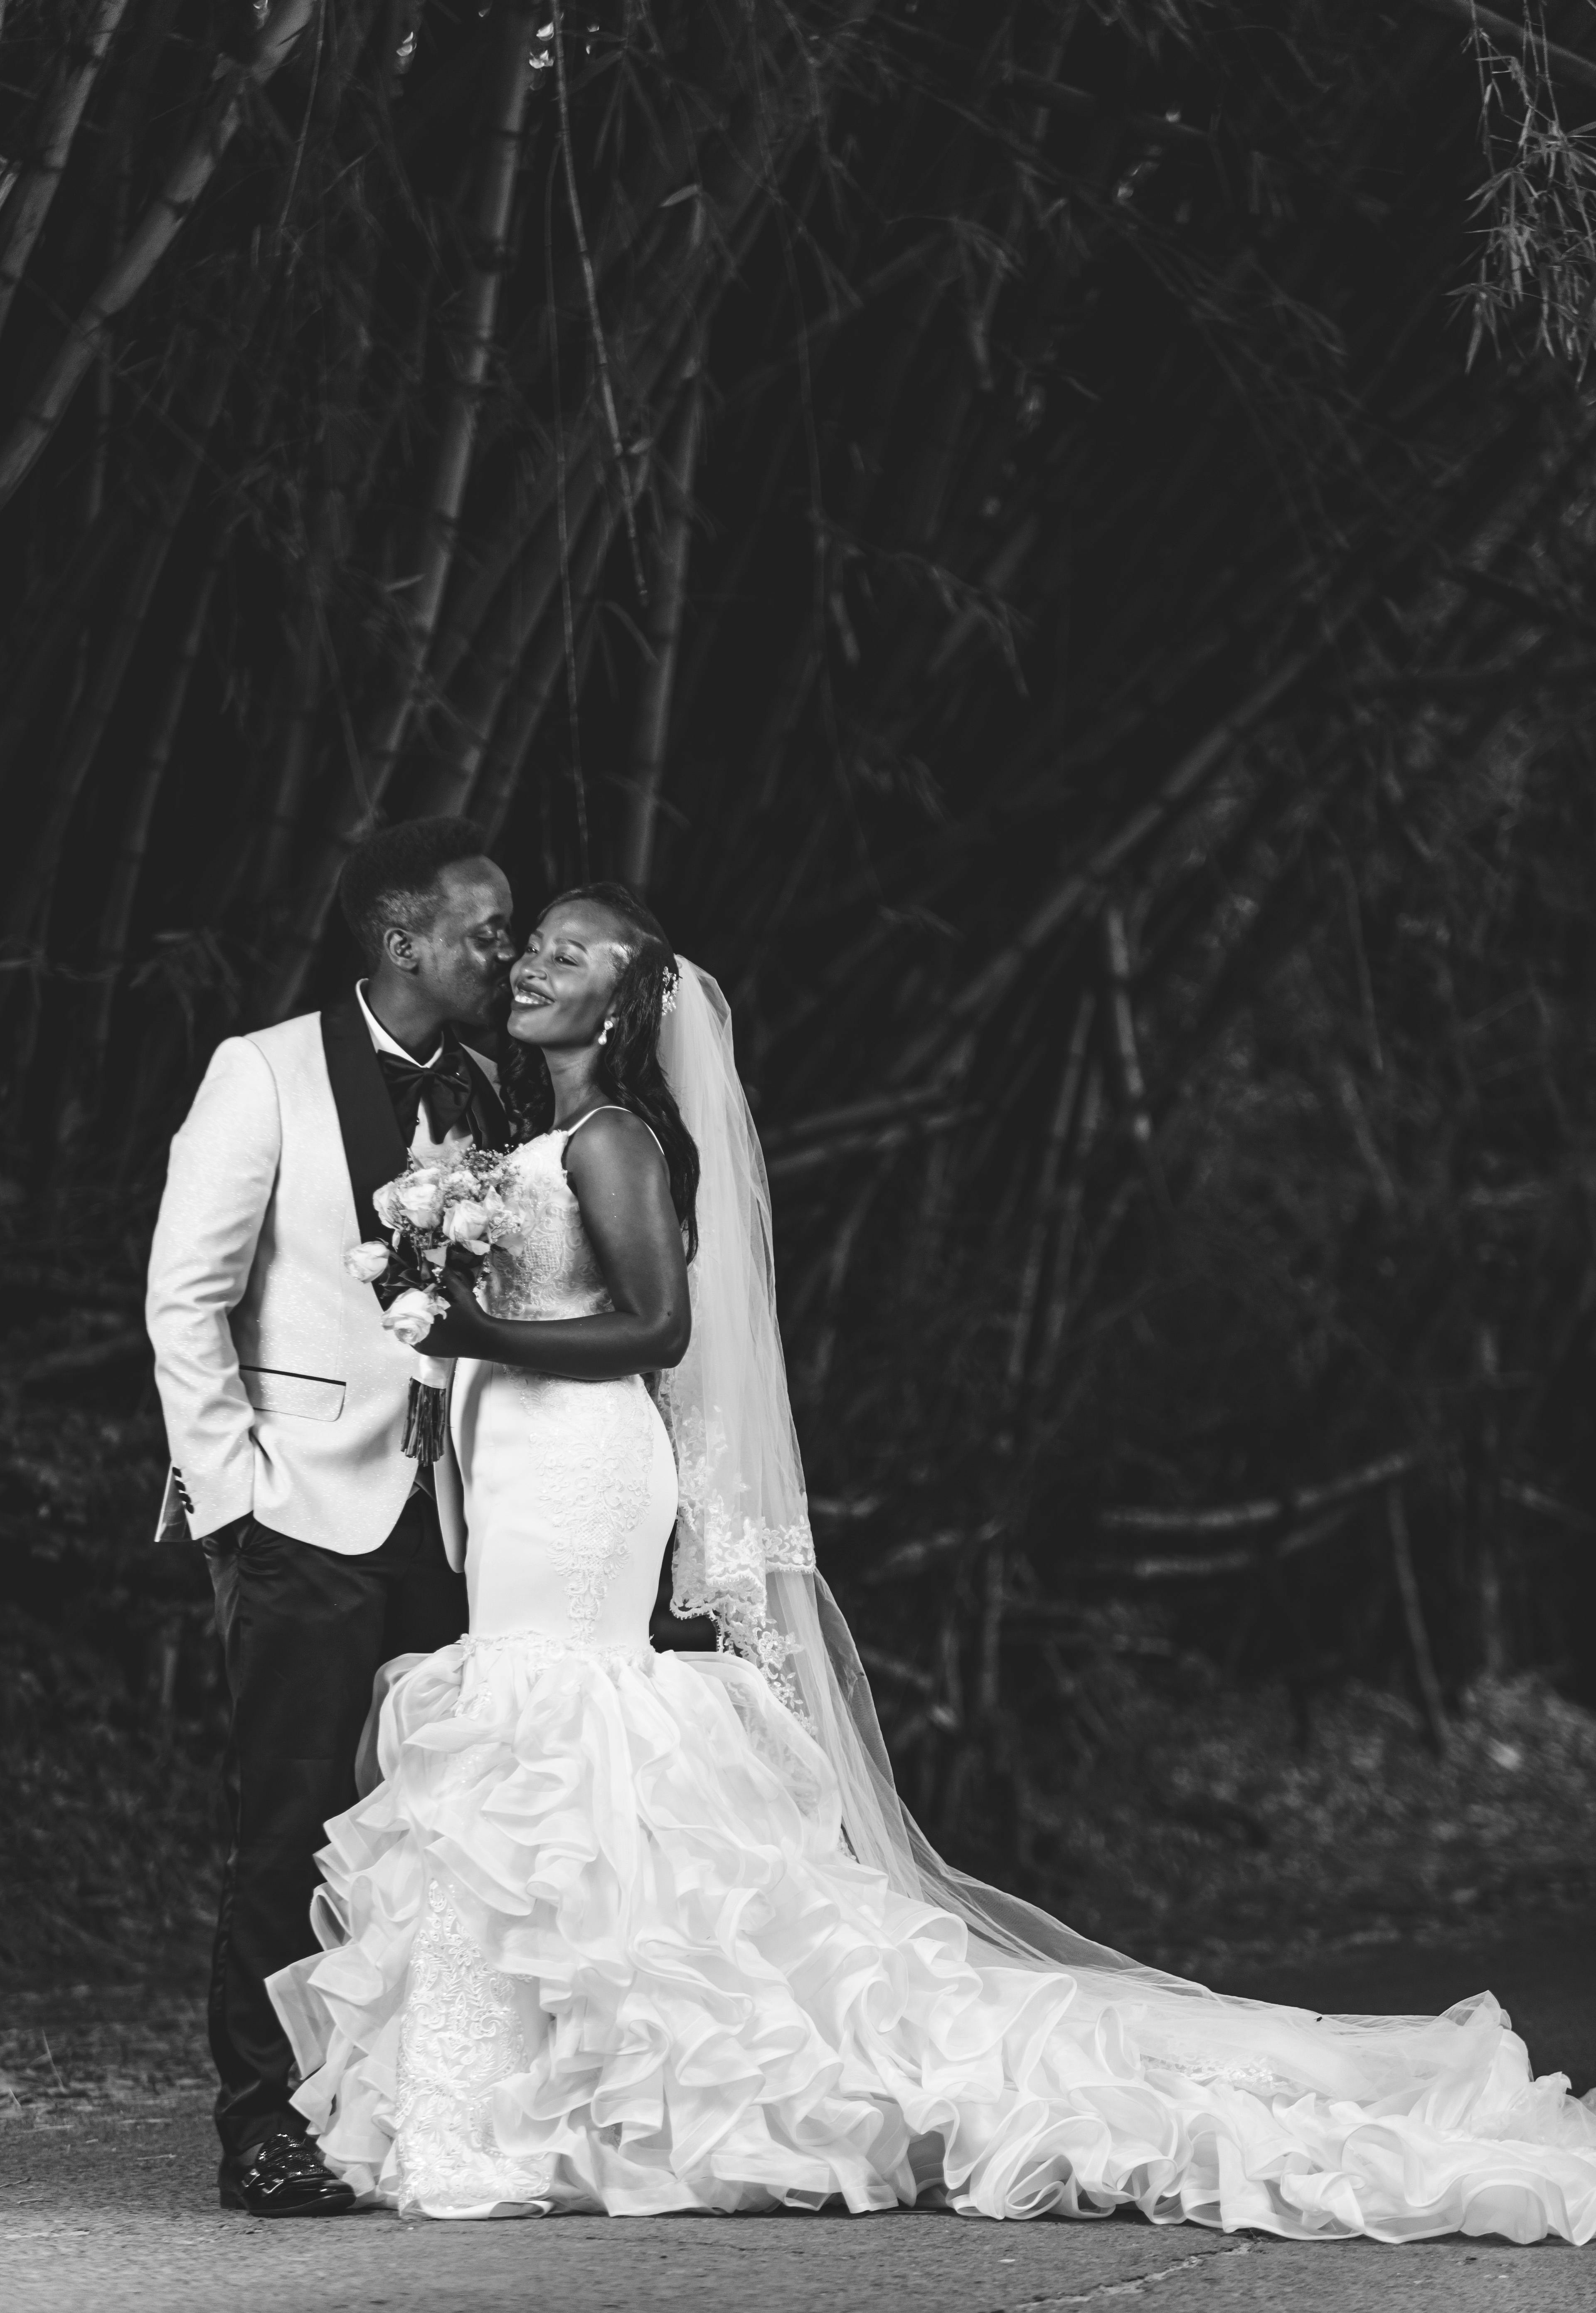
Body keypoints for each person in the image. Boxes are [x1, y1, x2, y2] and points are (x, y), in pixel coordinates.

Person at [268, 884, 1596, 2237]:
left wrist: (479, 1335)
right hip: (518, 1466)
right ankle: (527, 2093)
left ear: (622, 1007)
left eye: (569, 955)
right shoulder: (528, 1138)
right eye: (534, 947)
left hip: (583, 1469)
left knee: (557, 1715)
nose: (533, 967)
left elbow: (659, 1331)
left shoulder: (612, 1140)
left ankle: (552, 2100)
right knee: (530, 1729)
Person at [145, 819, 515, 2216]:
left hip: (457, 1514)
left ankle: (405, 2104)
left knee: (435, 1827)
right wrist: (232, 1501)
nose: (506, 952)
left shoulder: (490, 1088)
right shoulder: (262, 1071)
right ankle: (261, 2126)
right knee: (288, 1820)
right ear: (402, 939)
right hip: (300, 1507)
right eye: (484, 931)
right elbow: (186, 1297)